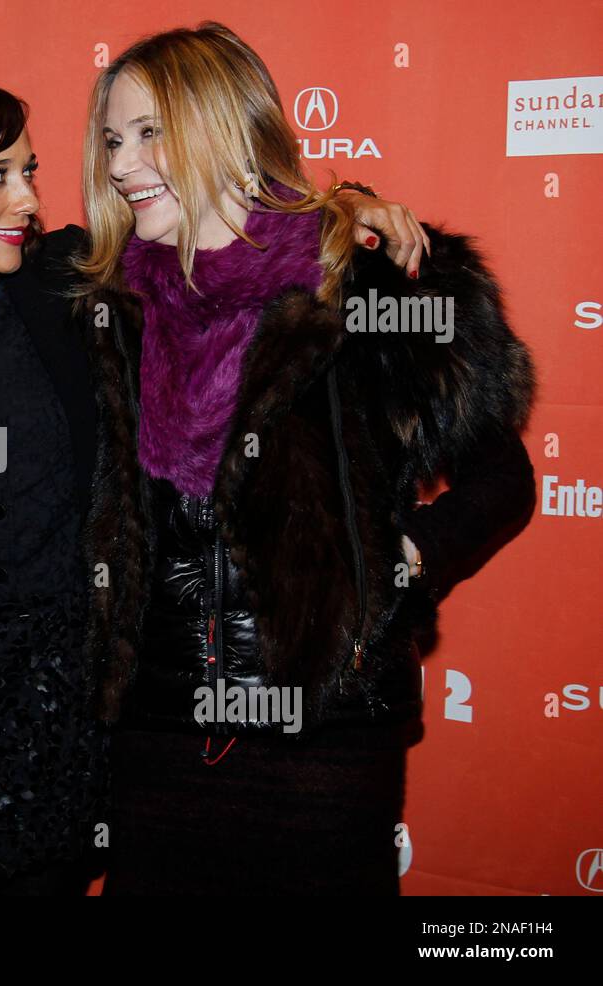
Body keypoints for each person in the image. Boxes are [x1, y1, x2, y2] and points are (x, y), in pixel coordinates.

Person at [0, 69, 414, 895]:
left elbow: (231, 237)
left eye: (29, 171)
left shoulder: (71, 283)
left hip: (65, 706)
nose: (28, 199)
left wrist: (344, 206)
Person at [76, 23, 537, 894]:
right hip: (157, 736)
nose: (123, 164)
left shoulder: (360, 288)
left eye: (150, 132)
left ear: (226, 127)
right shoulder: (111, 305)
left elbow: (501, 478)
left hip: (323, 736)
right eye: (111, 139)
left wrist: (407, 561)